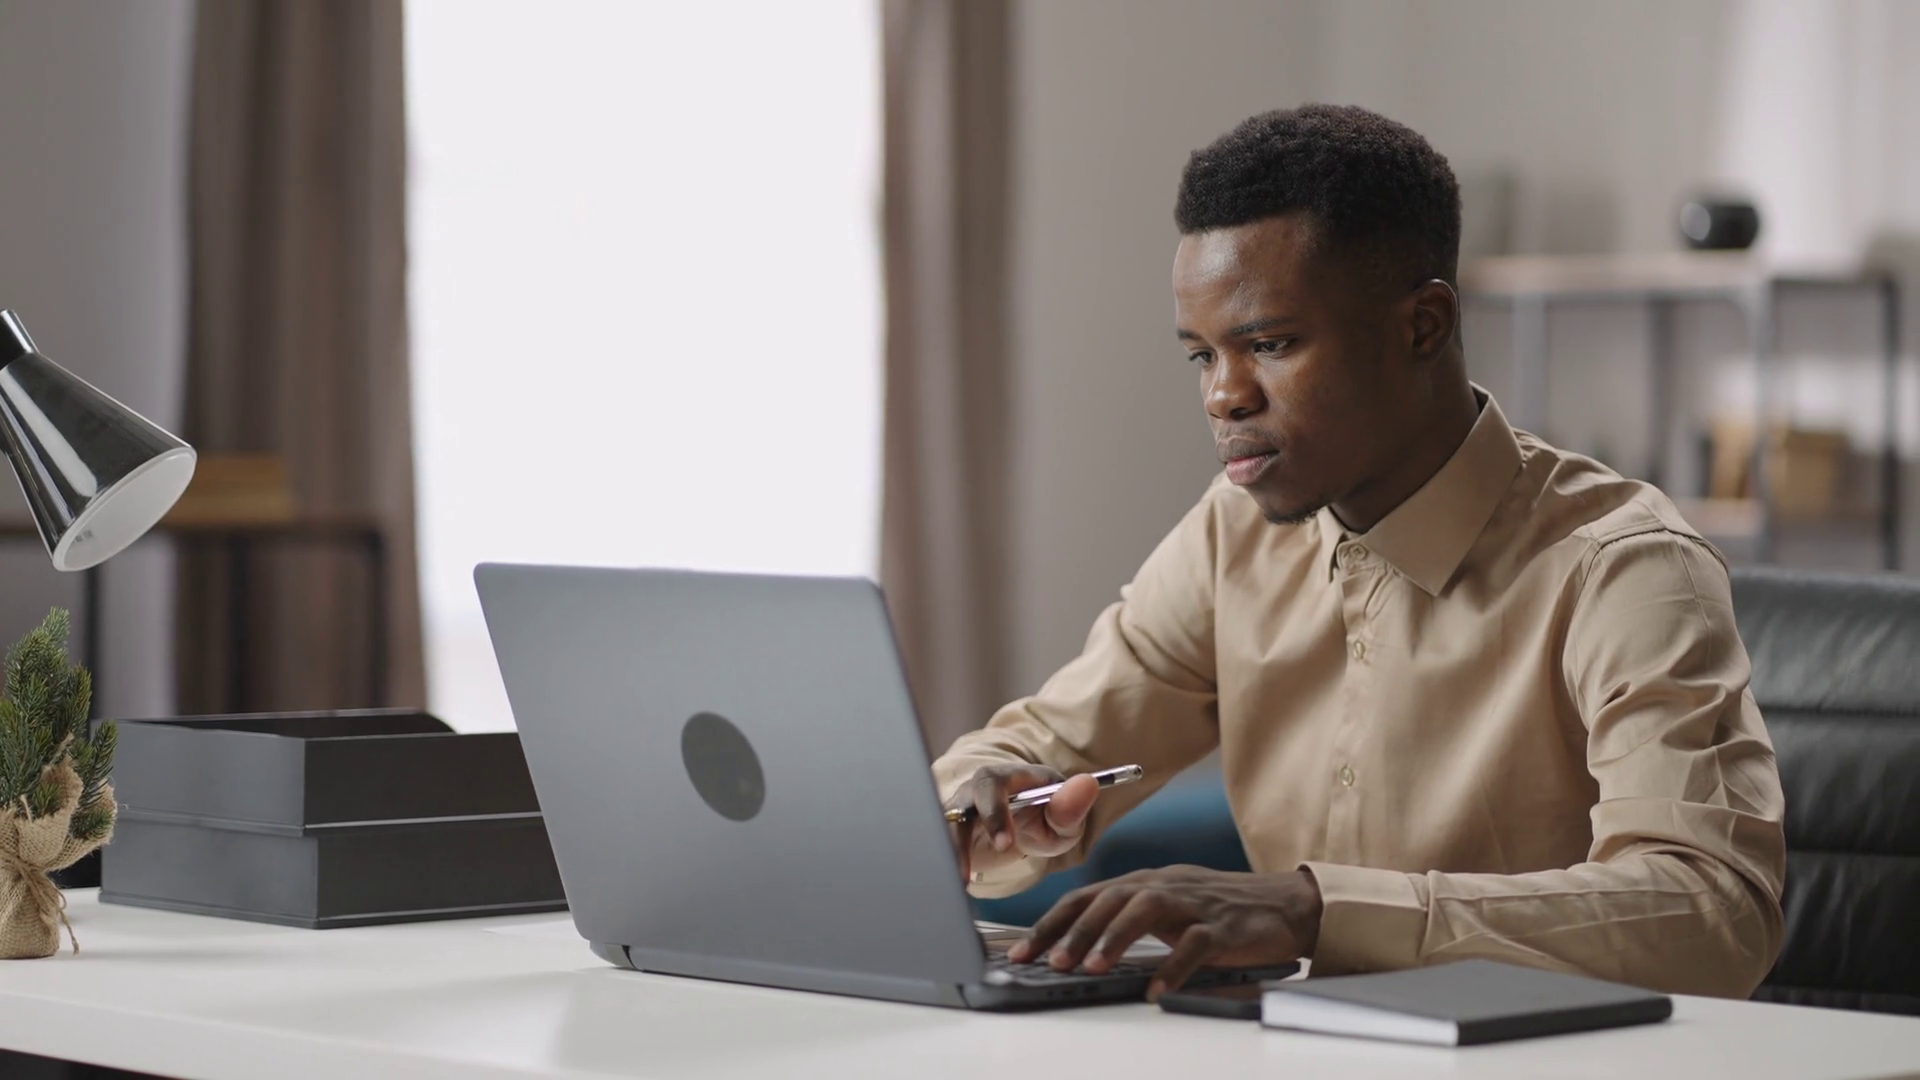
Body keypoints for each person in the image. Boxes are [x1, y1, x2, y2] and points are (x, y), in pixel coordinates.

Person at [934, 104, 1785, 1001]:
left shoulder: (1624, 567)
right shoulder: (1231, 537)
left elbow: (1712, 910)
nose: (1223, 396)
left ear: (1423, 325)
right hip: (1297, 1048)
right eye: (1202, 357)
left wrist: (1315, 910)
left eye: (1269, 344)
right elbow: (1046, 742)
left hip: (1549, 1057)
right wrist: (982, 806)